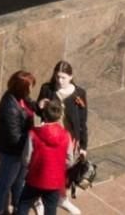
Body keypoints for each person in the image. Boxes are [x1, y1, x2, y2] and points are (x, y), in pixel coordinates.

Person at [36, 62, 89, 214]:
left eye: (63, 78)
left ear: (71, 77)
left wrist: (83, 146)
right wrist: (39, 106)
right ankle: (40, 200)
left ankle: (61, 198)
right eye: (57, 76)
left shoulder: (79, 93)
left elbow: (82, 121)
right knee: (45, 169)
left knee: (64, 171)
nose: (60, 81)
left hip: (69, 140)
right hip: (50, 136)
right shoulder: (47, 89)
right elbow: (39, 113)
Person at [17, 97, 73, 215]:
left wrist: (29, 167)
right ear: (59, 116)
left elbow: (26, 158)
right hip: (55, 180)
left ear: (44, 115)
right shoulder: (66, 135)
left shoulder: (33, 133)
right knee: (51, 208)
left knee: (24, 203)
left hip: (35, 177)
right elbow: (69, 160)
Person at [0, 71, 36, 214]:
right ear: (21, 89)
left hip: (22, 150)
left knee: (19, 180)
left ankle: (18, 206)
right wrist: (34, 138)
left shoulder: (21, 97)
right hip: (12, 153)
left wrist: (40, 106)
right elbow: (14, 137)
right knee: (5, 183)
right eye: (30, 87)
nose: (31, 91)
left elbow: (29, 103)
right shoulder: (10, 108)